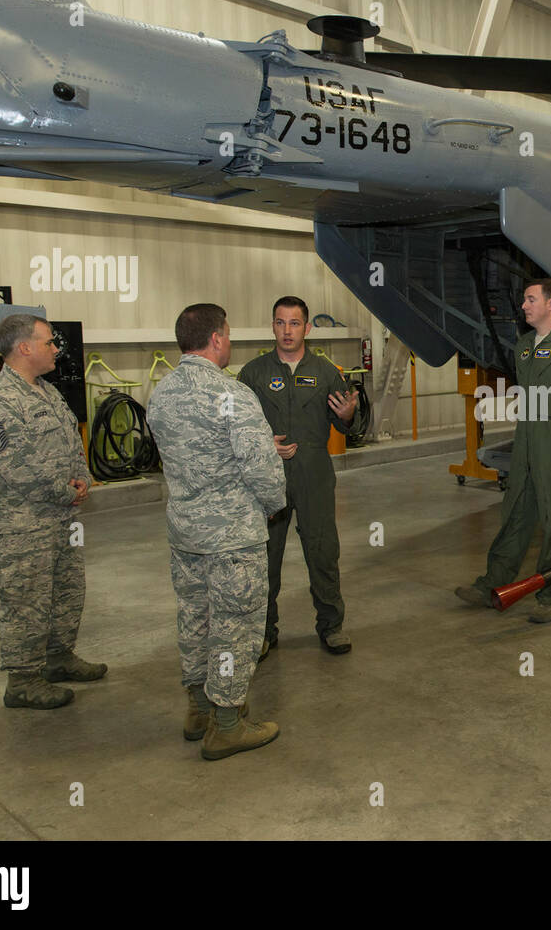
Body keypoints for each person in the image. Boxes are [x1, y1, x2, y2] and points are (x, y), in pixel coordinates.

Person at [147, 304, 286, 760]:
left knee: (195, 618)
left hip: (185, 531)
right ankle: (227, 725)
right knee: (235, 627)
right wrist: (271, 505)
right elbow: (261, 465)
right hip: (232, 535)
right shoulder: (233, 394)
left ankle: (197, 710)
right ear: (218, 338)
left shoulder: (161, 394)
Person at [455, 278, 551, 623]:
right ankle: (492, 583)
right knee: (515, 512)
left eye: (530, 299)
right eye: (524, 300)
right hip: (527, 439)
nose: (523, 306)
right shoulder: (523, 346)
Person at [0, 313, 105, 710]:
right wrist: (63, 490)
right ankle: (22, 680)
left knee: (65, 592)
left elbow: (70, 439)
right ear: (24, 347)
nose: (55, 349)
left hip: (59, 517)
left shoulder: (45, 391)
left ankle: (58, 658)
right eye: (49, 342)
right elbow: (15, 466)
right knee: (26, 599)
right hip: (20, 524)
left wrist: (82, 477)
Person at [238, 296, 360, 659]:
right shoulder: (253, 373)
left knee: (322, 550)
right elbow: (239, 428)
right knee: (265, 555)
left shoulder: (325, 372)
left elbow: (344, 423)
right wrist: (264, 445)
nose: (287, 330)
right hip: (267, 476)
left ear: (307, 328)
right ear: (272, 326)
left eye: (294, 323)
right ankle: (263, 631)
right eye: (280, 322)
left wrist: (350, 414)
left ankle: (331, 626)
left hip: (314, 473)